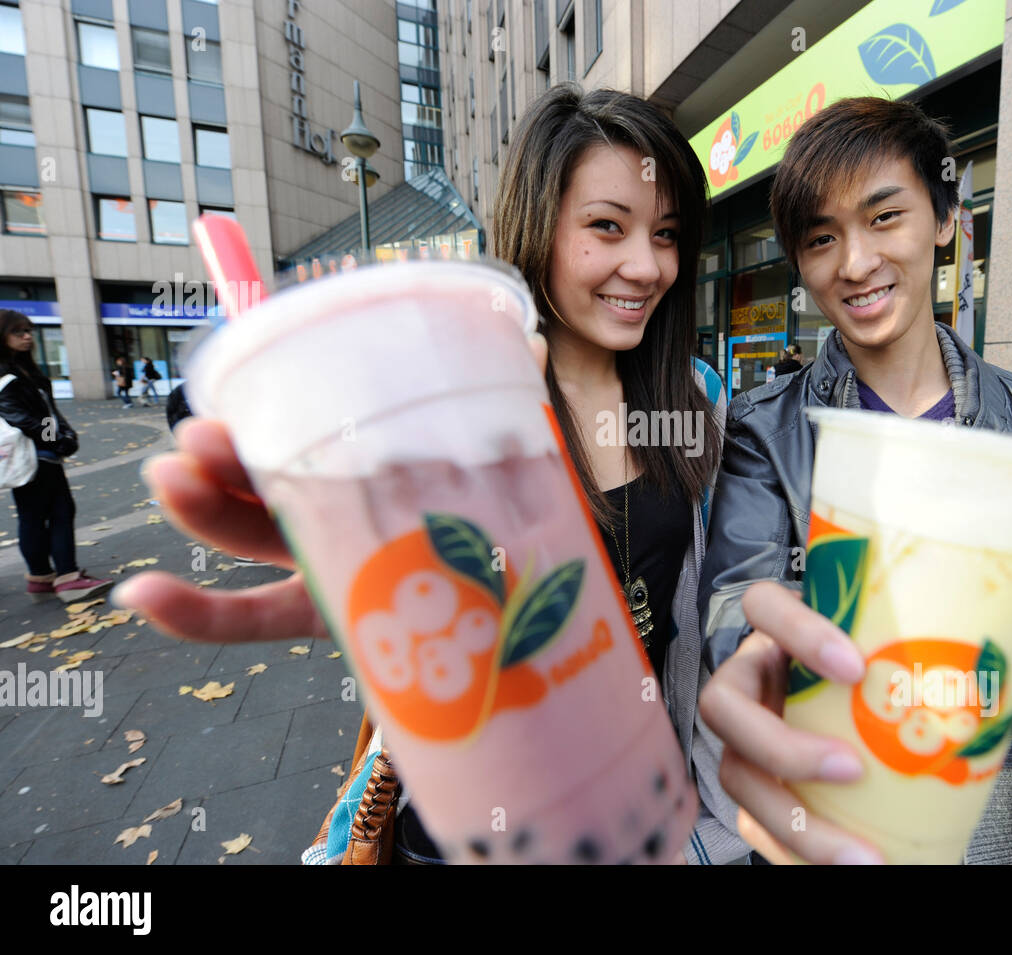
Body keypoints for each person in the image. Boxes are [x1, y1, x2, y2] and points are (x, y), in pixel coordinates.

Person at [112, 85, 751, 866]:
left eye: (667, 234)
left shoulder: (697, 400)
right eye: (606, 227)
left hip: (634, 808)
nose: (645, 265)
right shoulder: (453, 404)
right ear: (539, 228)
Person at [695, 96, 1012, 865]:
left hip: (1005, 834)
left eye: (885, 217)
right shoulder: (764, 430)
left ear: (947, 215)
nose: (854, 263)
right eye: (822, 238)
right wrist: (765, 662)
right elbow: (739, 603)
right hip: (842, 822)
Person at [0, 309, 114, 602]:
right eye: (18, 331)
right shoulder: (7, 377)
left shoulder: (24, 372)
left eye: (28, 330)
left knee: (33, 516)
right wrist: (56, 440)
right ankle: (68, 577)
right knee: (60, 512)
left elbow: (46, 413)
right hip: (34, 455)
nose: (27, 336)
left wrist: (64, 436)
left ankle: (41, 576)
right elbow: (21, 418)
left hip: (38, 453)